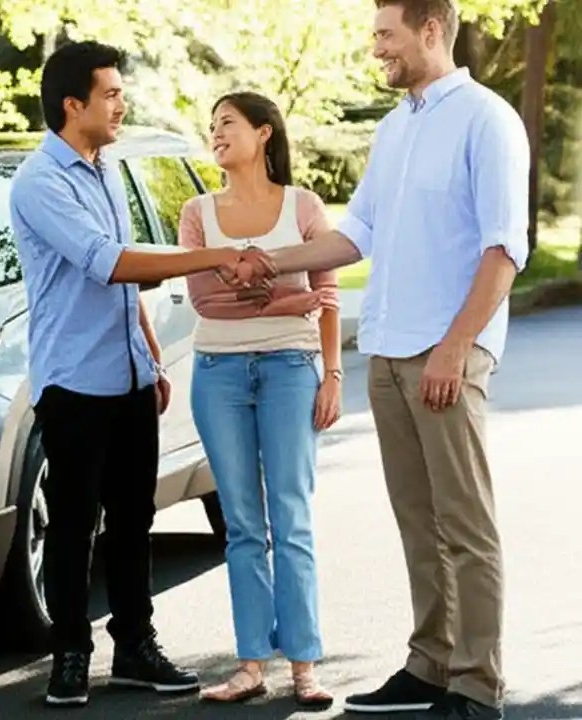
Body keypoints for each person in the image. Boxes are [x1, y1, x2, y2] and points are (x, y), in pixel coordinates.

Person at [223, 1, 530, 718]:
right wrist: (271, 262)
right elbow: (355, 232)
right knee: (418, 523)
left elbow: (504, 248)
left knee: (465, 526)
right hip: (390, 351)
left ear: (430, 30)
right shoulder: (395, 129)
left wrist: (457, 345)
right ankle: (431, 666)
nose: (375, 51)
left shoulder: (487, 121)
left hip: (444, 350)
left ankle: (478, 686)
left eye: (385, 35)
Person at [7, 40, 258, 708]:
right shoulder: (40, 182)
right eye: (111, 93)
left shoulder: (107, 166)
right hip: (73, 383)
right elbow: (109, 261)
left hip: (128, 378)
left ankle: (136, 649)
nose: (123, 102)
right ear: (72, 104)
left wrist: (148, 355)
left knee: (131, 520)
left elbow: (126, 290)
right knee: (71, 525)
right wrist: (208, 258)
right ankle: (69, 655)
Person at [177, 91, 342, 708]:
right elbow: (205, 300)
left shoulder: (303, 206)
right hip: (217, 372)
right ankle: (250, 665)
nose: (215, 133)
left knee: (291, 517)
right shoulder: (197, 213)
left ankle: (304, 666)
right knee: (243, 524)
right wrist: (286, 294)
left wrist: (333, 375)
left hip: (292, 370)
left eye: (226, 123)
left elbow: (325, 293)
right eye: (211, 124)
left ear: (263, 133)